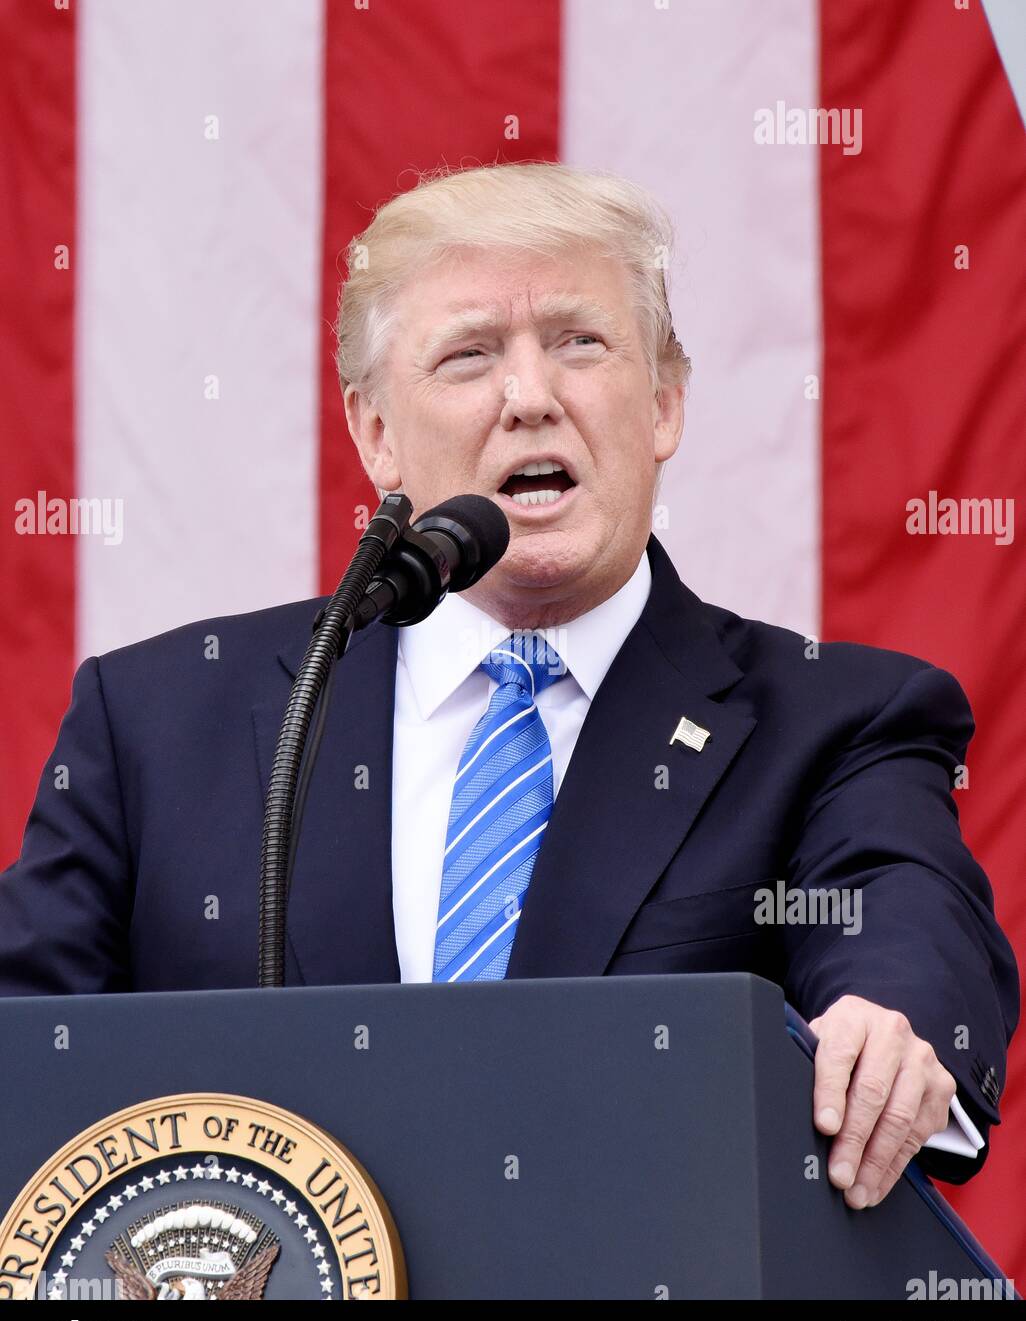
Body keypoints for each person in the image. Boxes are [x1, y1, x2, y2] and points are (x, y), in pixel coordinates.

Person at [0, 163, 1017, 1216]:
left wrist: (889, 1019)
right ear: (377, 433)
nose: (531, 397)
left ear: (665, 403)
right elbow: (22, 1063)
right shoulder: (158, 724)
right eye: (469, 355)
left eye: (581, 342)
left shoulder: (836, 720)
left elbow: (903, 918)